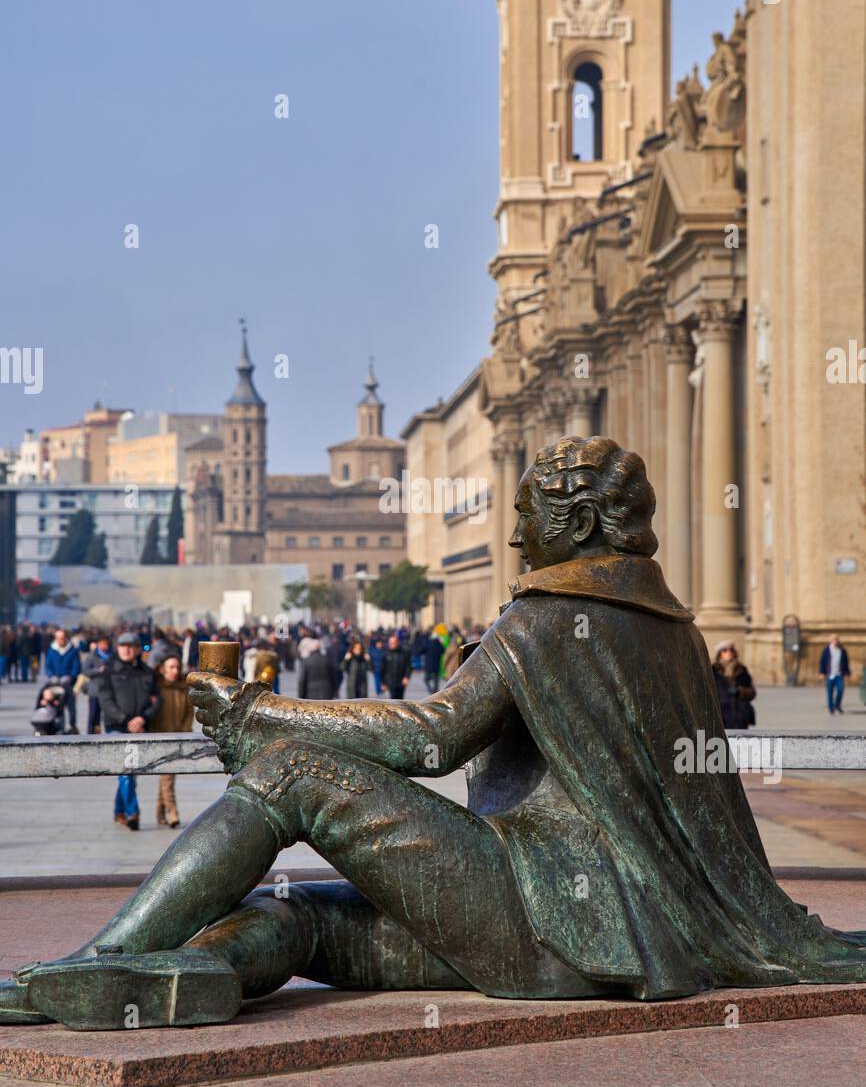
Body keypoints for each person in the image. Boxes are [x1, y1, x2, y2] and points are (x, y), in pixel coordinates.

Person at [12, 435, 866, 1033]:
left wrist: (253, 715)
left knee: (294, 775)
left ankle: (86, 965)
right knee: (298, 918)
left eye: (528, 514)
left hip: (547, 913)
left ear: (573, 528)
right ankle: (179, 982)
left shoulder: (553, 612)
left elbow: (434, 735)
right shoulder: (670, 626)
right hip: (614, 941)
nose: (515, 533)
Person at [95, 632, 161, 831]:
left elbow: (158, 701)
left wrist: (143, 718)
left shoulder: (147, 672)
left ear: (138, 649)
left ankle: (119, 811)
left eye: (131, 645)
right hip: (118, 728)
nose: (127, 649)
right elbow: (106, 702)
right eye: (123, 645)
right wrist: (126, 720)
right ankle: (133, 812)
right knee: (127, 771)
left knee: (128, 772)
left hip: (139, 729)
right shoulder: (108, 671)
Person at [149, 652, 193, 828]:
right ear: (162, 669)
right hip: (160, 735)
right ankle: (172, 812)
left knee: (167, 775)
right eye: (171, 667)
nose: (175, 671)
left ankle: (160, 810)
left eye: (177, 667)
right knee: (167, 776)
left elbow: (190, 712)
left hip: (178, 734)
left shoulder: (184, 688)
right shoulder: (157, 688)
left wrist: (185, 730)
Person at [45, 628, 81, 733]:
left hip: (69, 683)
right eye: (58, 638)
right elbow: (48, 666)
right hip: (55, 683)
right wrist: (51, 675)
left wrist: (70, 676)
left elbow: (76, 666)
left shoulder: (73, 650)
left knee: (71, 706)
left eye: (62, 638)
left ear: (66, 638)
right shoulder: (51, 650)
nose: (61, 640)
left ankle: (72, 726)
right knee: (57, 705)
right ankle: (59, 727)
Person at [712, 642, 756, 728]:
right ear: (719, 654)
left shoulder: (741, 669)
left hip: (740, 715)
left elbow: (752, 692)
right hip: (721, 715)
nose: (729, 652)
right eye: (725, 650)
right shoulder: (713, 670)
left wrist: (740, 691)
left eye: (731, 650)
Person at [81, 637, 113, 734]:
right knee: (93, 716)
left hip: (108, 690)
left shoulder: (111, 656)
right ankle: (91, 735)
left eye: (106, 644)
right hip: (95, 690)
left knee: (109, 715)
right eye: (102, 644)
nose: (104, 646)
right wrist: (98, 670)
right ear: (98, 644)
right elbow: (85, 671)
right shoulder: (92, 656)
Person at [819, 634, 851, 715]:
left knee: (840, 690)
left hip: (839, 674)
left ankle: (837, 705)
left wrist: (847, 672)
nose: (835, 641)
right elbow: (822, 662)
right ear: (830, 640)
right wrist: (821, 672)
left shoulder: (842, 650)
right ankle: (831, 708)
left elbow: (846, 662)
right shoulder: (826, 650)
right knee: (830, 692)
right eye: (833, 639)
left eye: (836, 639)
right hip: (829, 674)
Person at [381, 633, 411, 699]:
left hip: (401, 680)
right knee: (393, 699)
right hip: (391, 681)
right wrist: (383, 683)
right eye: (390, 643)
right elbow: (383, 669)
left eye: (393, 643)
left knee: (400, 699)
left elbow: (408, 666)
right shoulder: (386, 654)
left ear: (398, 643)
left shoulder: (404, 653)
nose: (391, 645)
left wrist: (407, 677)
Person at [423, 630, 444, 694]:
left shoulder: (428, 643)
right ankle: (435, 690)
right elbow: (443, 651)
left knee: (426, 679)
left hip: (428, 664)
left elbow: (422, 650)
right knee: (436, 678)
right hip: (436, 664)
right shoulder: (439, 644)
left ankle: (430, 689)